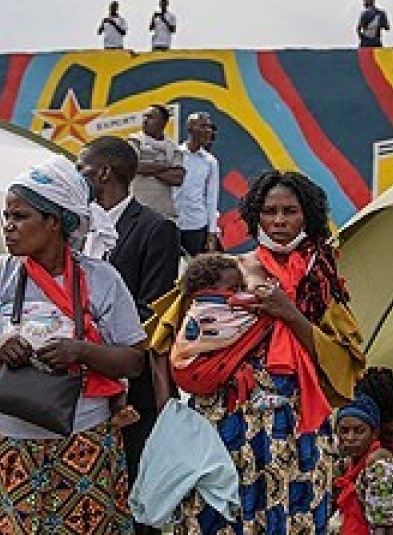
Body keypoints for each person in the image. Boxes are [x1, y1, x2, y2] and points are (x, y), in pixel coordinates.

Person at [147, 169, 366, 533]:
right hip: (223, 424)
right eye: (269, 211)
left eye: (290, 211)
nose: (279, 220)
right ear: (254, 215)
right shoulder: (224, 270)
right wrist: (170, 417)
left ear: (307, 216)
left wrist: (290, 314)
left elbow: (346, 360)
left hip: (297, 427)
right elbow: (163, 340)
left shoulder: (321, 281)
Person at [0, 154, 145, 534]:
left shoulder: (100, 278)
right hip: (4, 442)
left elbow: (133, 360)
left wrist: (80, 351)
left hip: (85, 441)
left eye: (20, 217)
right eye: (7, 216)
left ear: (53, 222)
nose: (9, 227)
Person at [78, 135, 180, 520]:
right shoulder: (79, 228)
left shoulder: (155, 229)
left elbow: (152, 309)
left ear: (104, 172)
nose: (77, 178)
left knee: (135, 489)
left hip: (132, 384)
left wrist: (87, 337)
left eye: (82, 169)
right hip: (81, 385)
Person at [331, 394, 393, 534]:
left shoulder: (381, 469)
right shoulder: (350, 465)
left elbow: (390, 529)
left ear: (374, 433)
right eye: (344, 431)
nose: (350, 438)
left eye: (359, 431)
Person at [174, 111, 221, 256]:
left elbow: (212, 199)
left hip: (196, 225)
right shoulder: (175, 154)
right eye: (202, 126)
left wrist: (211, 233)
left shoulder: (210, 162)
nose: (208, 131)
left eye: (209, 127)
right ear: (190, 128)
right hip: (173, 223)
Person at [128, 105, 185, 220]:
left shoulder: (173, 147)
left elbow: (177, 178)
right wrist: (165, 166)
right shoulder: (134, 140)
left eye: (150, 117)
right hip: (138, 212)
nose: (145, 120)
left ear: (163, 122)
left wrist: (148, 170)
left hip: (164, 213)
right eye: (144, 117)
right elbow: (134, 166)